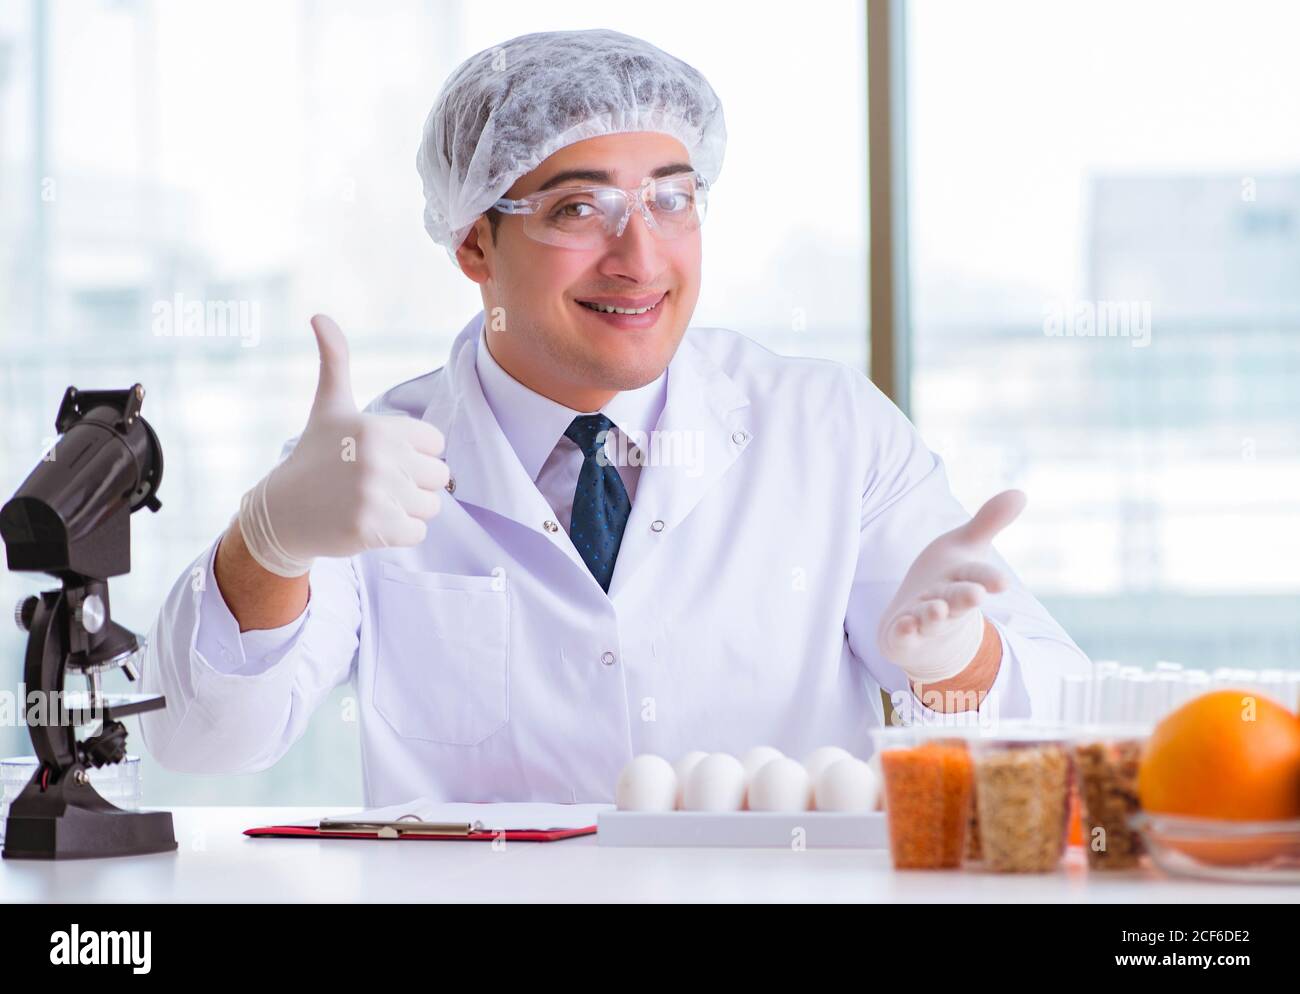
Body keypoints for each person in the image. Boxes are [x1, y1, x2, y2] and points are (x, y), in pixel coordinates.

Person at [140, 28, 1090, 806]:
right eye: (580, 208)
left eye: (672, 199)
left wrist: (958, 661)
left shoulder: (829, 431)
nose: (640, 258)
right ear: (475, 241)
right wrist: (267, 543)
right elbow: (203, 740)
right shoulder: (366, 470)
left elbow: (1069, 727)